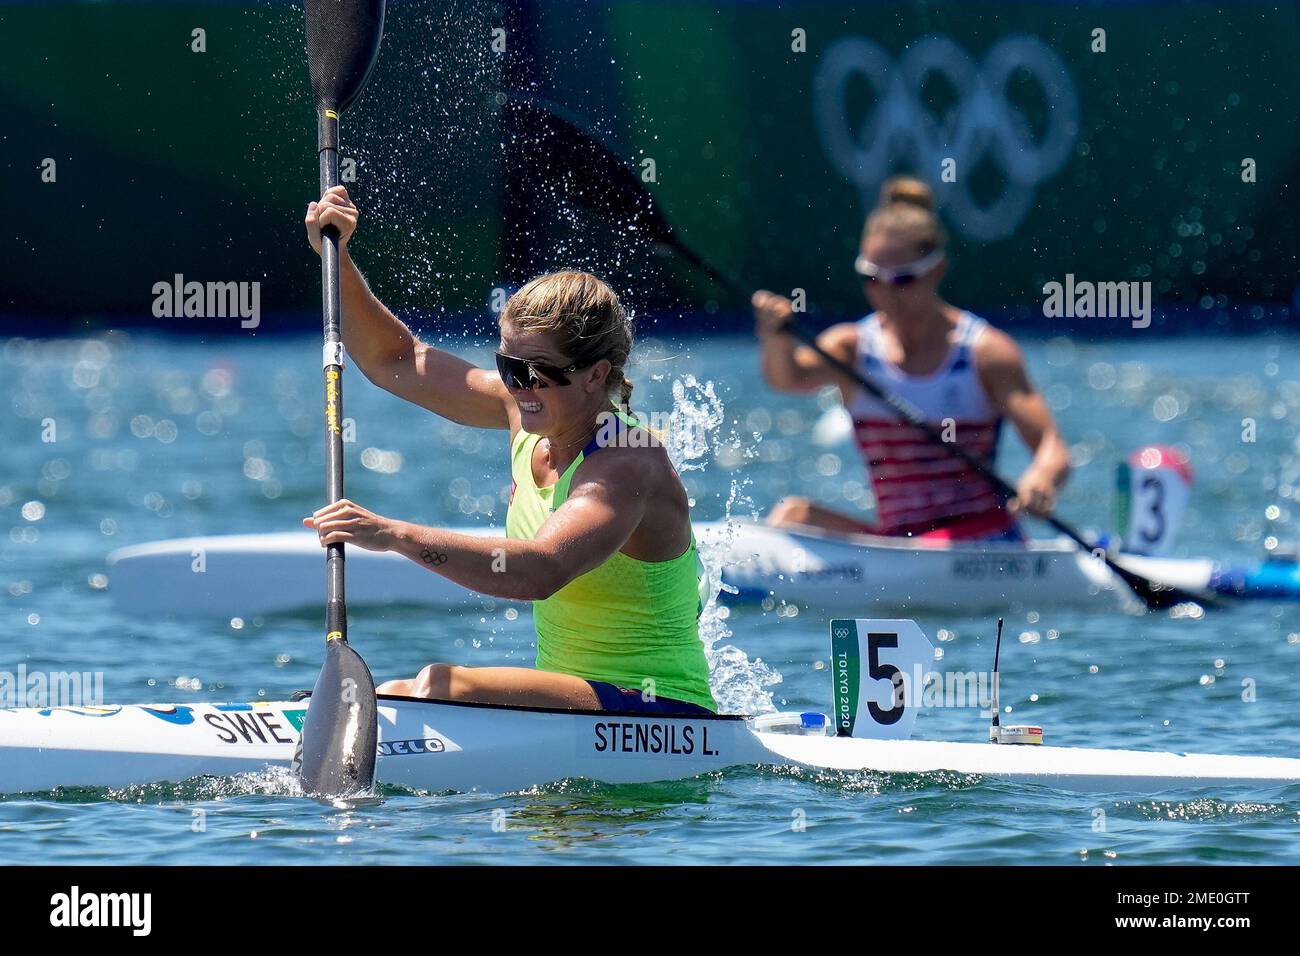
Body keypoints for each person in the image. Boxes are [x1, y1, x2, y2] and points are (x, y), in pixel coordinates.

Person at [301, 185, 715, 715]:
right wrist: (337, 257)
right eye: (506, 367)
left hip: (666, 711)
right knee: (387, 694)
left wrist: (392, 534)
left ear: (597, 376)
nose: (517, 387)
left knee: (442, 685)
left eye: (534, 372)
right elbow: (396, 360)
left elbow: (538, 572)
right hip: (580, 709)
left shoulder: (628, 464)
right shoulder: (528, 412)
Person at [752, 176, 1070, 543]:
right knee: (794, 516)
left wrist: (1041, 479)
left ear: (937, 270)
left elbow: (1052, 446)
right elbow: (786, 378)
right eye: (872, 278)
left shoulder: (986, 352)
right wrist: (775, 338)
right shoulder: (851, 347)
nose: (886, 293)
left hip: (979, 538)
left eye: (902, 280)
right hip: (901, 542)